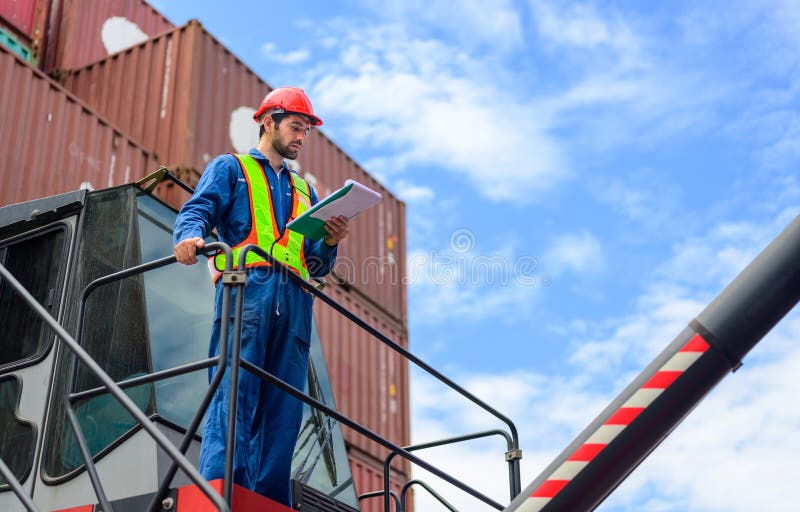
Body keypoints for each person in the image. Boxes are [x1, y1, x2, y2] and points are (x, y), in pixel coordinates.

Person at [173, 87, 349, 506]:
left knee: (284, 410)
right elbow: (197, 210)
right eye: (296, 127)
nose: (302, 137)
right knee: (235, 392)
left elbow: (316, 265)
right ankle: (222, 491)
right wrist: (189, 236)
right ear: (268, 122)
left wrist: (329, 241)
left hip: (296, 304)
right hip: (247, 292)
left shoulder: (306, 193)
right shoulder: (230, 169)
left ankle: (268, 501)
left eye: (306, 130)